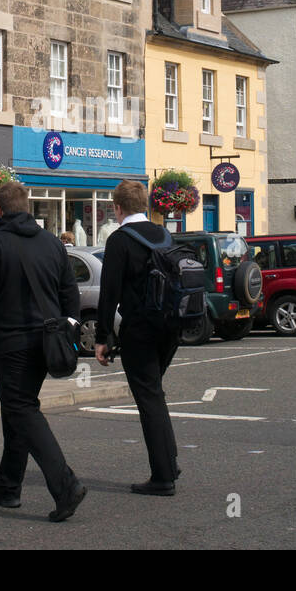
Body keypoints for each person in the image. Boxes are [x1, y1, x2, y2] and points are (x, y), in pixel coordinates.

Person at [0, 181, 87, 522]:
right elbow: (71, 294)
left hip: (13, 345)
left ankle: (65, 485)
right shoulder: (53, 244)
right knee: (16, 412)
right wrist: (68, 331)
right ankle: (7, 487)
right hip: (47, 343)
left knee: (22, 410)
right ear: (27, 207)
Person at [95, 179, 181, 496]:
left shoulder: (120, 240)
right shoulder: (163, 233)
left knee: (148, 398)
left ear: (118, 208)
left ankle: (162, 477)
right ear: (143, 204)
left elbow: (109, 293)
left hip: (140, 330)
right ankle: (169, 462)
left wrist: (102, 338)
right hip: (170, 327)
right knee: (154, 393)